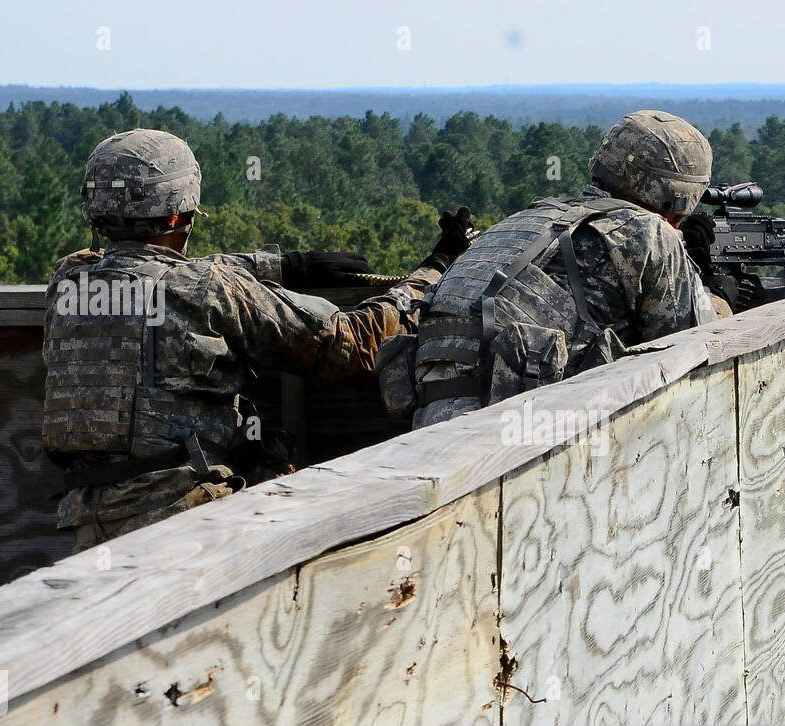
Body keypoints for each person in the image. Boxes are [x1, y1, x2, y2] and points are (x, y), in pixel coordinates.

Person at [43, 128, 471, 551]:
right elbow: (351, 344)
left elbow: (149, 269)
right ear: (179, 215)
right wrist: (432, 270)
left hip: (88, 527)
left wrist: (282, 266)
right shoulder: (207, 288)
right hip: (181, 526)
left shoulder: (67, 281)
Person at [379, 109, 727, 429]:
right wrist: (715, 293)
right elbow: (697, 354)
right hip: (515, 442)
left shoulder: (521, 221)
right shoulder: (648, 232)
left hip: (427, 432)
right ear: (681, 197)